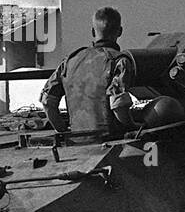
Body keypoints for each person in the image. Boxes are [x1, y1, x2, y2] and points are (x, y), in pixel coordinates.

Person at [41, 7, 136, 136]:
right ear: (119, 32)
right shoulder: (119, 61)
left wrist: (62, 130)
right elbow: (118, 106)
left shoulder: (70, 61)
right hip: (111, 139)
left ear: (93, 31)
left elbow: (47, 102)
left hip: (77, 140)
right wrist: (133, 128)